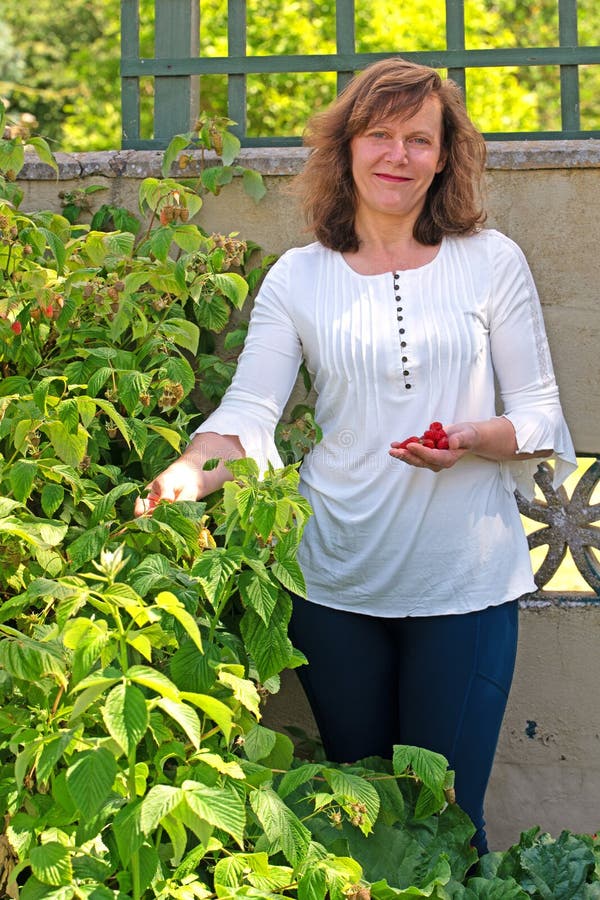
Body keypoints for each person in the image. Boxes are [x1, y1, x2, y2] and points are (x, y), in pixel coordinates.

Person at [134, 57, 576, 855]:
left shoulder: (491, 260)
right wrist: (184, 476)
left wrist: (472, 440)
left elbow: (541, 415)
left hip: (466, 585)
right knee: (361, 835)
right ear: (347, 149)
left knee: (448, 826)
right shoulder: (300, 277)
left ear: (445, 156)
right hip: (333, 586)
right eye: (379, 135)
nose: (396, 155)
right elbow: (251, 413)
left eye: (418, 138)